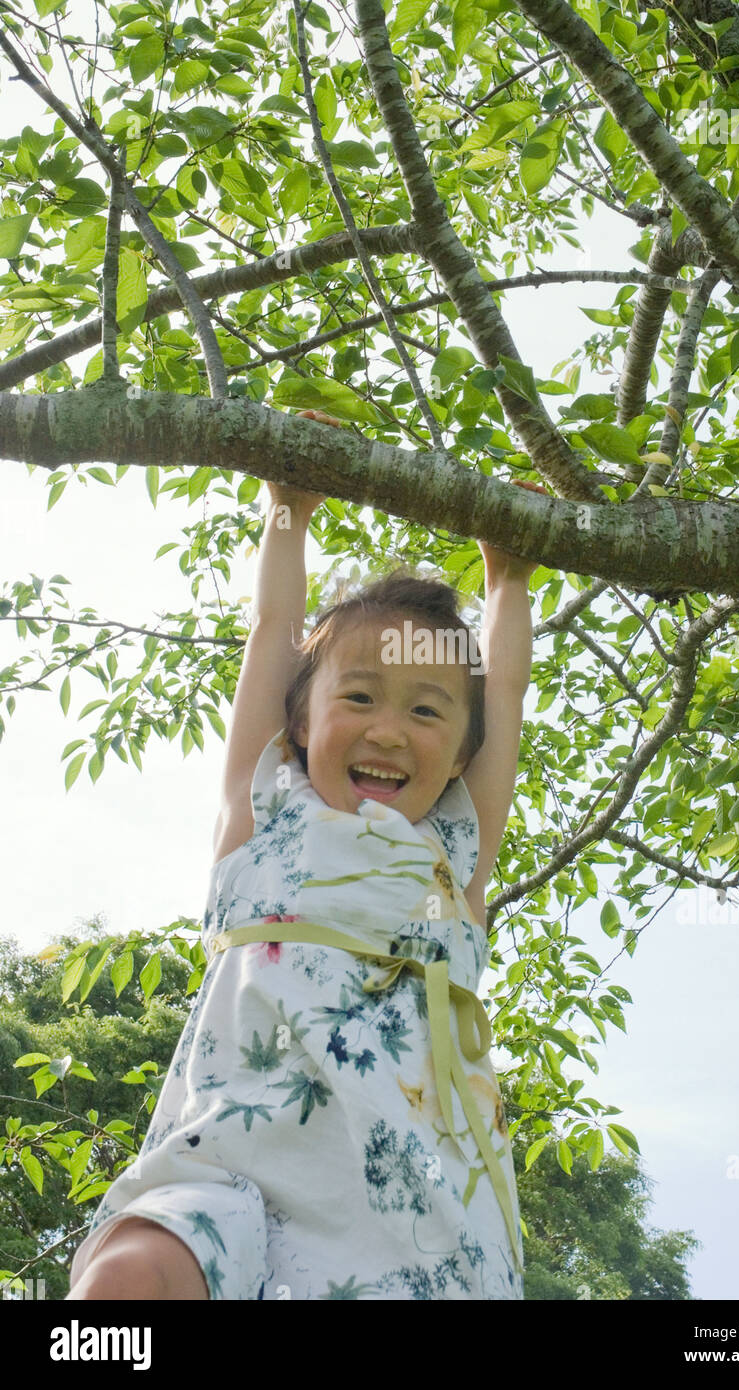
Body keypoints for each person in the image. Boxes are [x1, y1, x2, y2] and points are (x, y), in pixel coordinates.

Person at [67, 412, 541, 1300]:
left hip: (408, 1206)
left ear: (460, 754)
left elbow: (504, 691)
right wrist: (288, 507)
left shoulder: (450, 866)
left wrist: (509, 576)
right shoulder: (261, 828)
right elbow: (274, 628)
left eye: (428, 712)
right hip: (231, 1169)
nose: (388, 730)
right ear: (299, 723)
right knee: (132, 1275)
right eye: (358, 696)